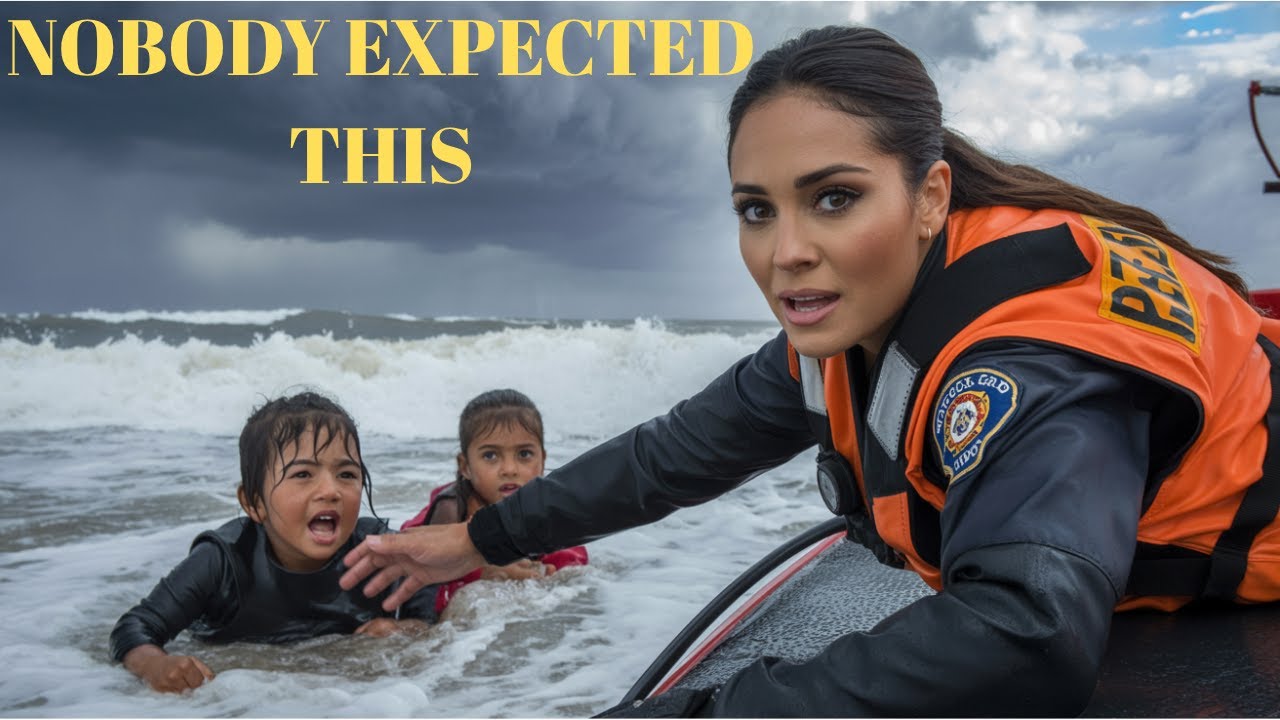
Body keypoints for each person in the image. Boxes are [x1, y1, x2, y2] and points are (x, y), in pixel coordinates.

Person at [339, 25, 1280, 717]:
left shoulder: (1029, 362)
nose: (787, 252)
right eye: (757, 209)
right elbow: (673, 455)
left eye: (834, 198)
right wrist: (483, 539)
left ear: (931, 197)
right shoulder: (862, 314)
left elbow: (1028, 640)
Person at [109, 391, 437, 694]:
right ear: (254, 502)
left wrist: (409, 628)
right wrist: (155, 665)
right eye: (303, 475)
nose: (331, 490)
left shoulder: (378, 551)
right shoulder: (224, 560)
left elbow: (430, 613)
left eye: (347, 475)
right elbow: (134, 627)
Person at [400, 389, 588, 615]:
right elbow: (409, 567)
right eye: (490, 456)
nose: (509, 469)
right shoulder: (450, 510)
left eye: (524, 454)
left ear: (543, 460)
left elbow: (574, 561)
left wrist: (550, 571)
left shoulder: (548, 508)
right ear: (465, 466)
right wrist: (481, 571)